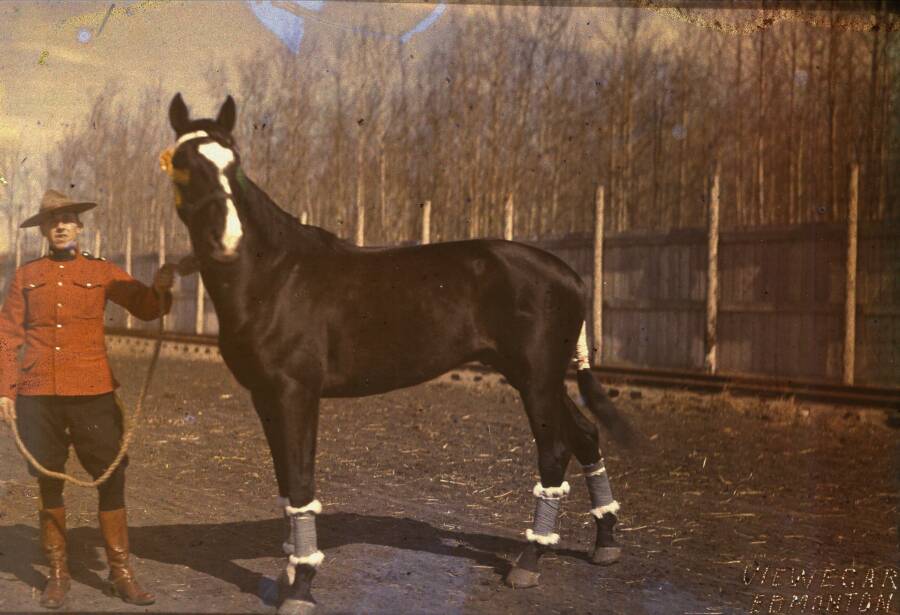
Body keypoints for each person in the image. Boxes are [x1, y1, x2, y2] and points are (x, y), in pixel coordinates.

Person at [0, 189, 175, 609]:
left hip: (93, 392)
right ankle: (58, 574)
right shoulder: (26, 275)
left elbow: (147, 307)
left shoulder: (102, 271)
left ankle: (121, 574)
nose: (60, 225)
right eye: (52, 220)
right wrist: (4, 390)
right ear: (43, 230)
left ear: (80, 227)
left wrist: (162, 288)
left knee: (110, 476)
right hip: (37, 394)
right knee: (49, 478)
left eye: (68, 219)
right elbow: (7, 336)